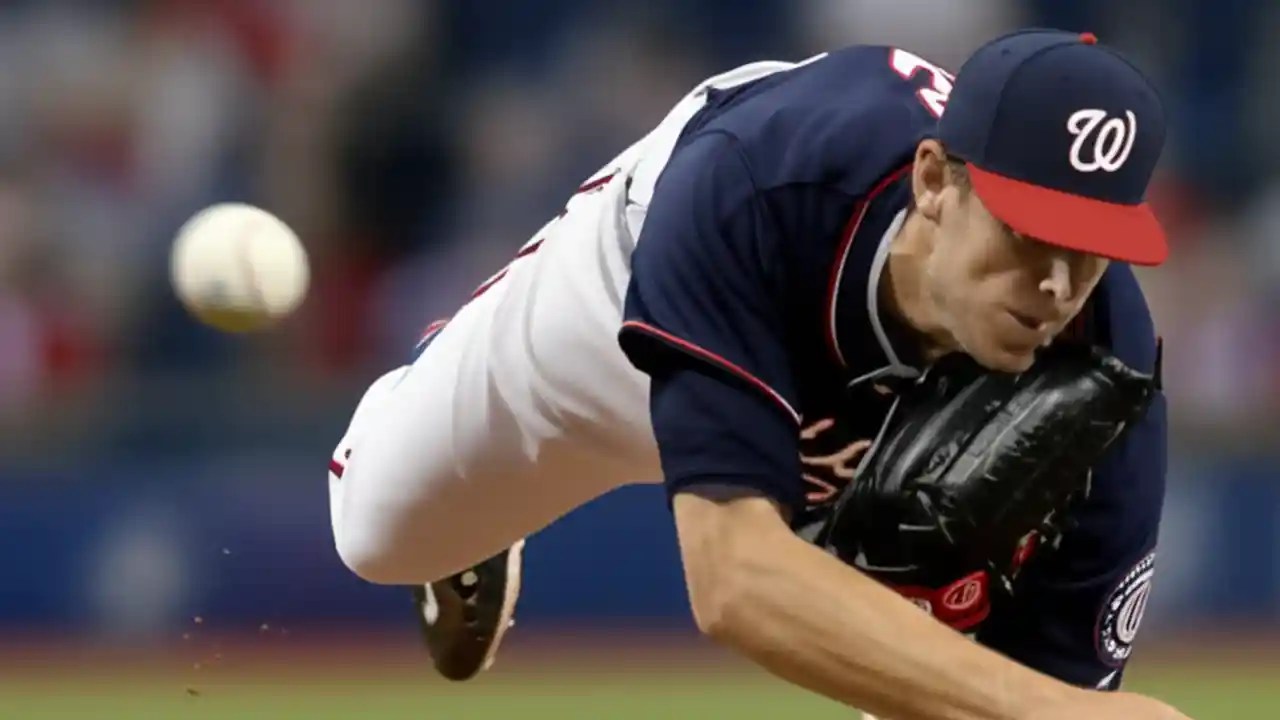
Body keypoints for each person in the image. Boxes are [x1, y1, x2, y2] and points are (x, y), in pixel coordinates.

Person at [327, 28, 1189, 719]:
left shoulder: (1102, 365)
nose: (1054, 283)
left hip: (842, 444)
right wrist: (1044, 710)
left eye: (1091, 249)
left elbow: (1053, 677)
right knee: (376, 534)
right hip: (631, 307)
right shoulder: (756, 182)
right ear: (935, 181)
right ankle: (469, 499)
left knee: (947, 689)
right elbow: (734, 584)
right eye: (1029, 232)